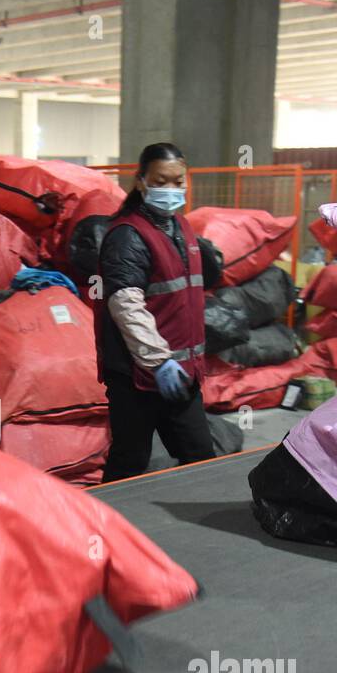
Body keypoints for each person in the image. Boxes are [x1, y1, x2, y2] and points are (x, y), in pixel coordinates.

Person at [96, 142, 223, 482]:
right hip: (139, 375)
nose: (171, 189)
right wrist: (157, 361)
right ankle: (104, 530)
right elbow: (126, 305)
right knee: (130, 461)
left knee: (200, 455)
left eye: (177, 181)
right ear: (141, 182)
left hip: (181, 373)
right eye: (161, 181)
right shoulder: (128, 235)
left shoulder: (181, 227)